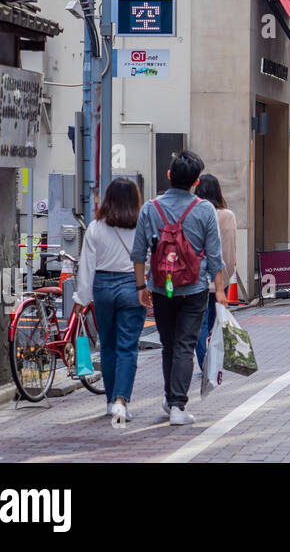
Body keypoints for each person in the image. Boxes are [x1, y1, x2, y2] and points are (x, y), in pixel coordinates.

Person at [131, 150, 227, 427]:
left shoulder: (150, 208)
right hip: (194, 288)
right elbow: (214, 255)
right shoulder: (205, 209)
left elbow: (138, 253)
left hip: (162, 288)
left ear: (169, 175)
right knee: (185, 345)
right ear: (196, 182)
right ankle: (177, 405)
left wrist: (141, 286)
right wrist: (219, 290)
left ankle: (169, 397)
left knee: (169, 346)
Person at [74, 177, 144, 423]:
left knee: (108, 345)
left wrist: (82, 297)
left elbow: (86, 265)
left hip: (102, 286)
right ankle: (121, 401)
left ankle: (110, 401)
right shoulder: (141, 226)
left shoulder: (95, 227)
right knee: (127, 346)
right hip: (132, 286)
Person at [193, 173, 236, 371]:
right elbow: (230, 249)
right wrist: (227, 274)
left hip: (198, 277)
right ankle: (207, 361)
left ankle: (204, 362)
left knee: (200, 324)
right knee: (212, 321)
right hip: (221, 278)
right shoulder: (228, 216)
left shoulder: (194, 213)